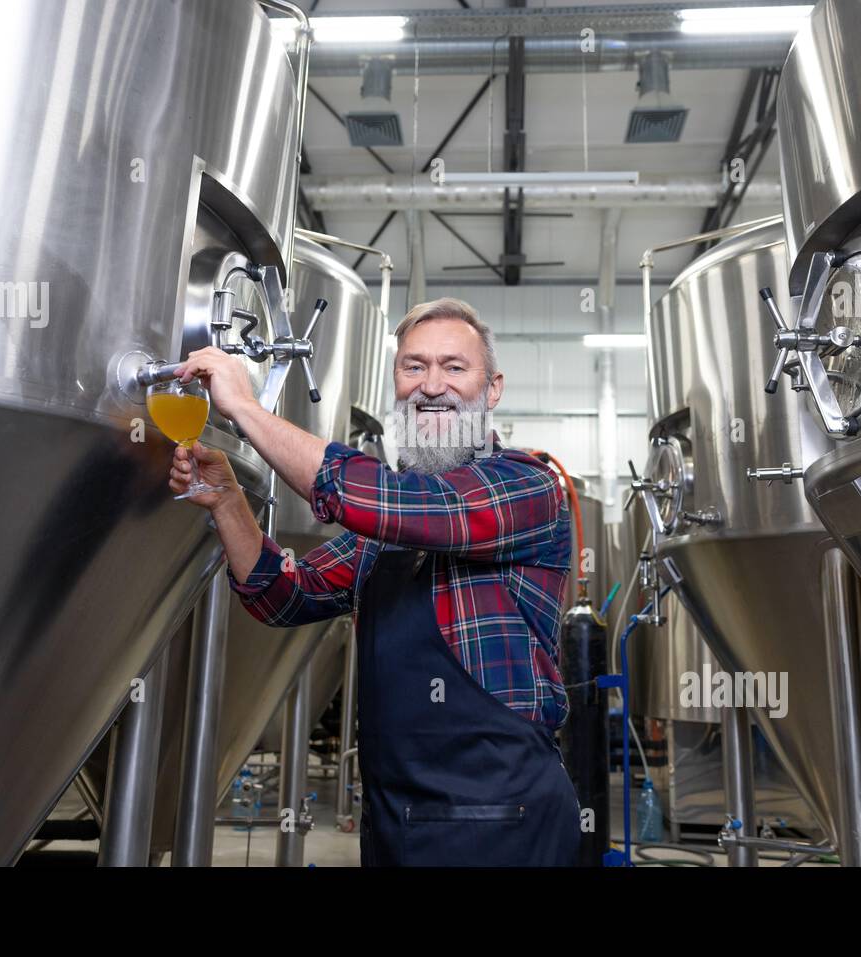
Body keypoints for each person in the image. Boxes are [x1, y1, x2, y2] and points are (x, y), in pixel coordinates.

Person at [168, 296, 580, 866]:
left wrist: (243, 406)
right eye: (413, 366)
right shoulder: (386, 532)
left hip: (502, 820)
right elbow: (284, 596)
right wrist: (229, 503)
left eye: (454, 367)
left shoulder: (526, 488)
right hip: (395, 821)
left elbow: (396, 501)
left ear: (494, 389)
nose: (431, 385)